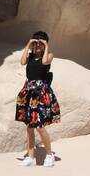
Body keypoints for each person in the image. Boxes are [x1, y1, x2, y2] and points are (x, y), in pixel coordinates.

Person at [15, 31, 60, 167]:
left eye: (41, 42)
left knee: (39, 126)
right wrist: (29, 44)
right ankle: (30, 158)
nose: (38, 45)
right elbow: (22, 62)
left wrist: (45, 46)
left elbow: (45, 61)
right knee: (29, 127)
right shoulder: (31, 56)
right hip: (28, 91)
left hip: (41, 93)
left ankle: (49, 154)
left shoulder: (49, 55)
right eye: (37, 42)